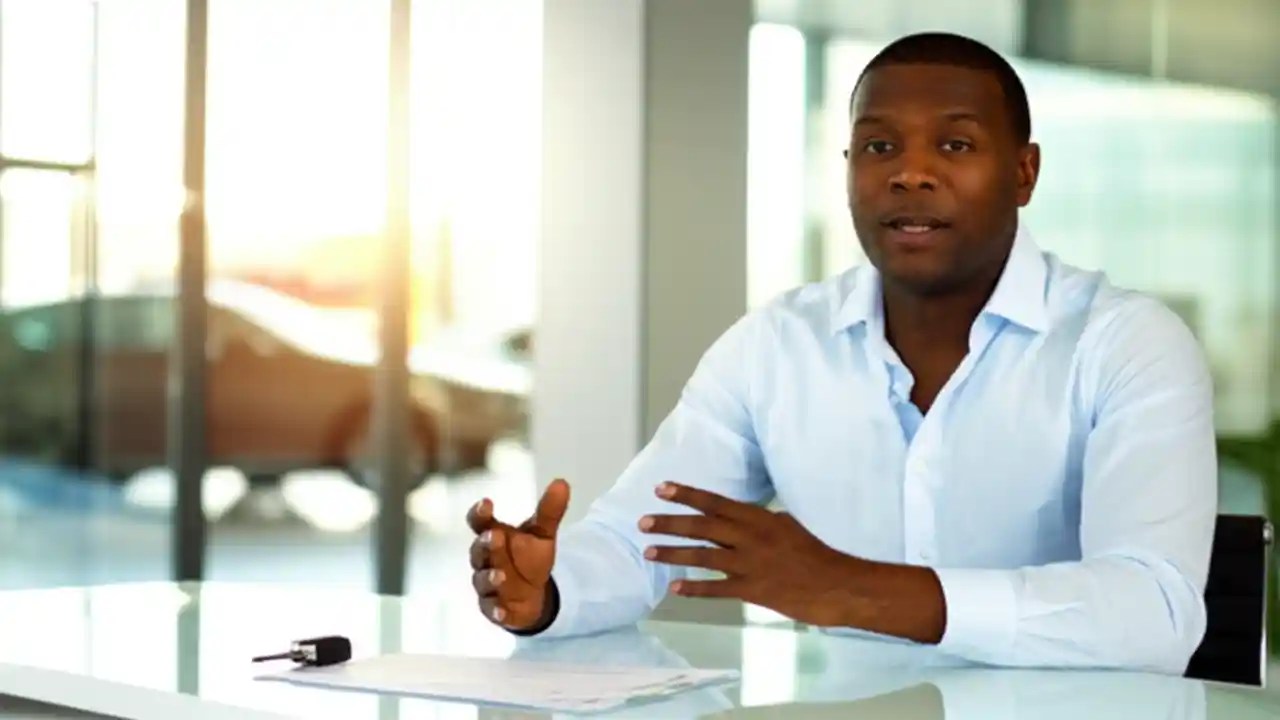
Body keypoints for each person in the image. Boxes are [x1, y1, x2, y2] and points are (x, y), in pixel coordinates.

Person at [467, 31, 1216, 674]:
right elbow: (643, 545)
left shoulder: (1126, 344)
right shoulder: (776, 348)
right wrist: (550, 591)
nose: (909, 172)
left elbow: (1154, 611)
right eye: (879, 145)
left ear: (1024, 172)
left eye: (954, 144)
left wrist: (855, 589)